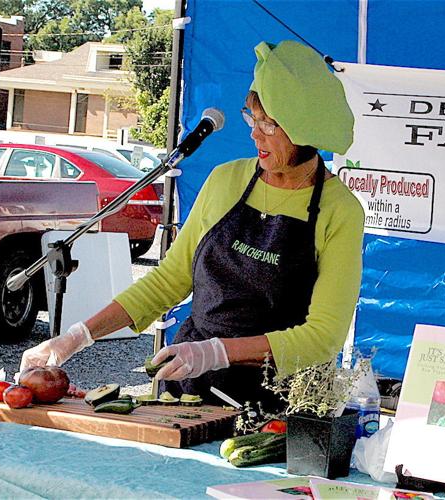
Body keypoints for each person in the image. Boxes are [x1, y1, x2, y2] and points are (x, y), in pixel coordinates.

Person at [19, 40, 364, 409]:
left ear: (305, 131)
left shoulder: (339, 210)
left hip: (278, 405)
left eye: (268, 124)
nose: (254, 133)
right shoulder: (225, 181)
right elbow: (170, 279)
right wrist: (76, 337)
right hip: (189, 390)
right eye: (251, 116)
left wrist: (217, 352)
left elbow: (323, 337)